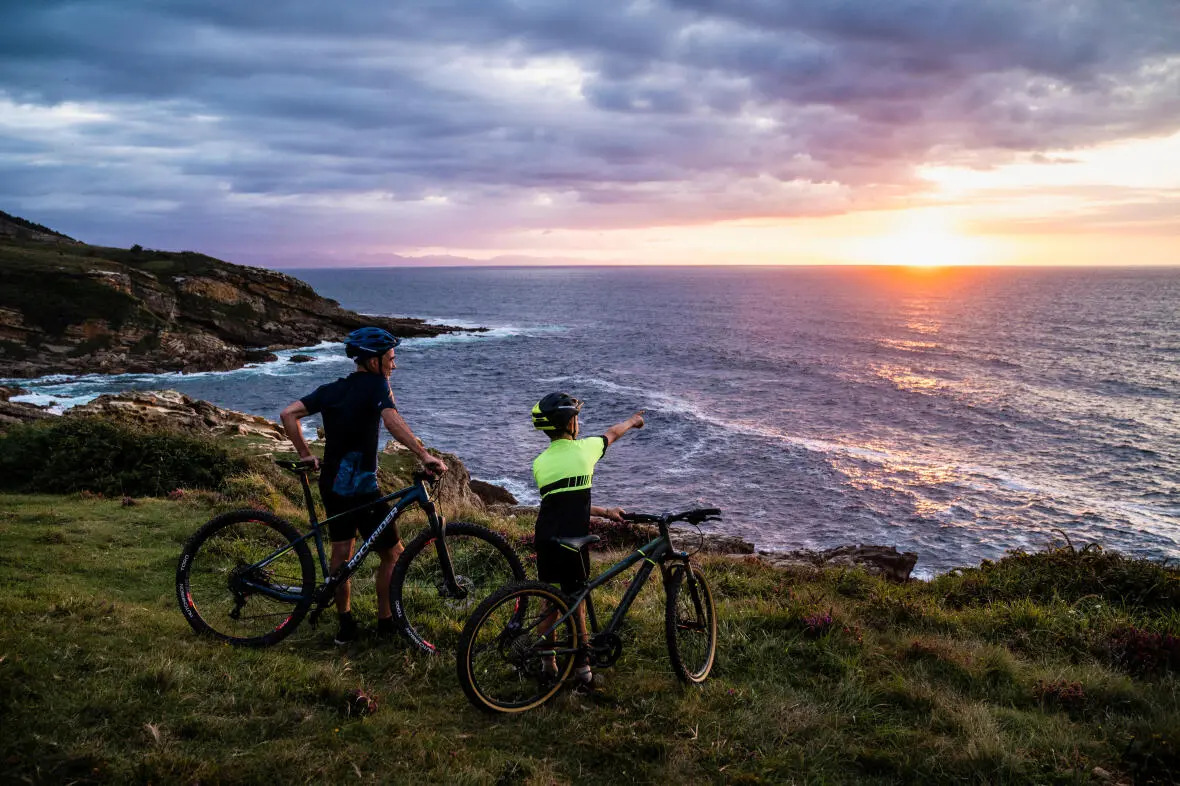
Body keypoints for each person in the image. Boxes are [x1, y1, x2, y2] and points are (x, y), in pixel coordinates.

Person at [280, 326, 448, 645]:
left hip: (333, 484)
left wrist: (305, 454)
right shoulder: (377, 386)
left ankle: (346, 625)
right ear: (373, 362)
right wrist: (423, 454)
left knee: (342, 554)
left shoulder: (332, 390)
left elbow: (288, 414)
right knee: (393, 554)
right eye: (390, 359)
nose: (393, 366)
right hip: (362, 488)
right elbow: (392, 420)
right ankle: (385, 624)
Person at [531, 392, 644, 690]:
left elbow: (563, 500)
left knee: (549, 602)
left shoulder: (539, 463)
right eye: (576, 417)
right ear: (570, 423)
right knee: (577, 602)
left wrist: (604, 511)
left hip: (545, 535)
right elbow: (612, 434)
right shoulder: (587, 449)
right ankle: (583, 671)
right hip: (572, 540)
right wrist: (633, 421)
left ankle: (548, 665)